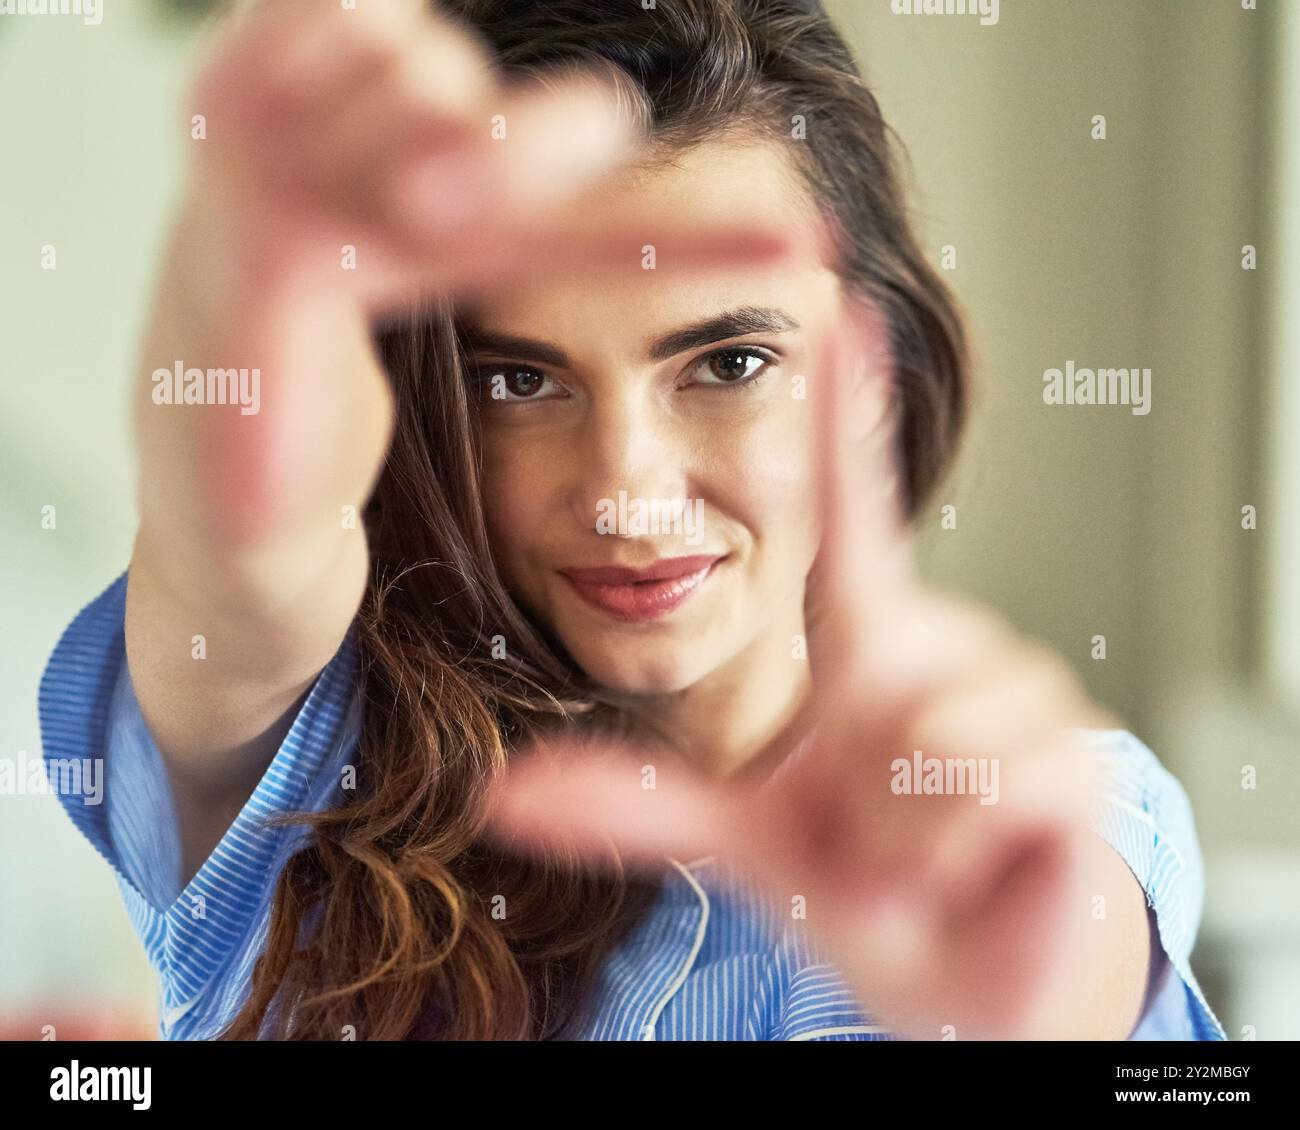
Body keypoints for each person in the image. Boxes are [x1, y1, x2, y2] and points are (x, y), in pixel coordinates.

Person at [39, 0, 1224, 1041]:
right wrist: (256, 294)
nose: (625, 490)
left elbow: (1060, 955)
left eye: (729, 360)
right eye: (519, 380)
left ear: (873, 374)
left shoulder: (1034, 813)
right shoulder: (303, 776)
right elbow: (240, 550)